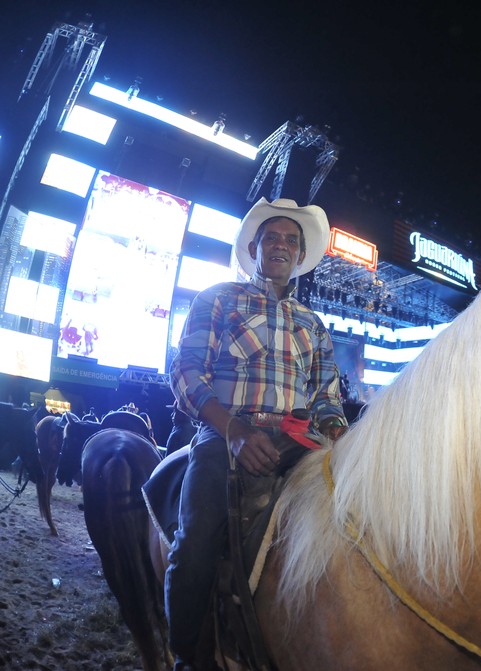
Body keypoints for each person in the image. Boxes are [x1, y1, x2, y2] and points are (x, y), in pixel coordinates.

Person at [165, 197, 348, 669]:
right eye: (274, 237)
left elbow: (327, 396)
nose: (282, 245)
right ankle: (190, 657)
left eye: (292, 240)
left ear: (300, 256)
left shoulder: (313, 325)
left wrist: (337, 434)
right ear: (255, 246)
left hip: (299, 444)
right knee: (196, 543)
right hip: (225, 436)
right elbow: (186, 371)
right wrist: (235, 431)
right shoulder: (219, 299)